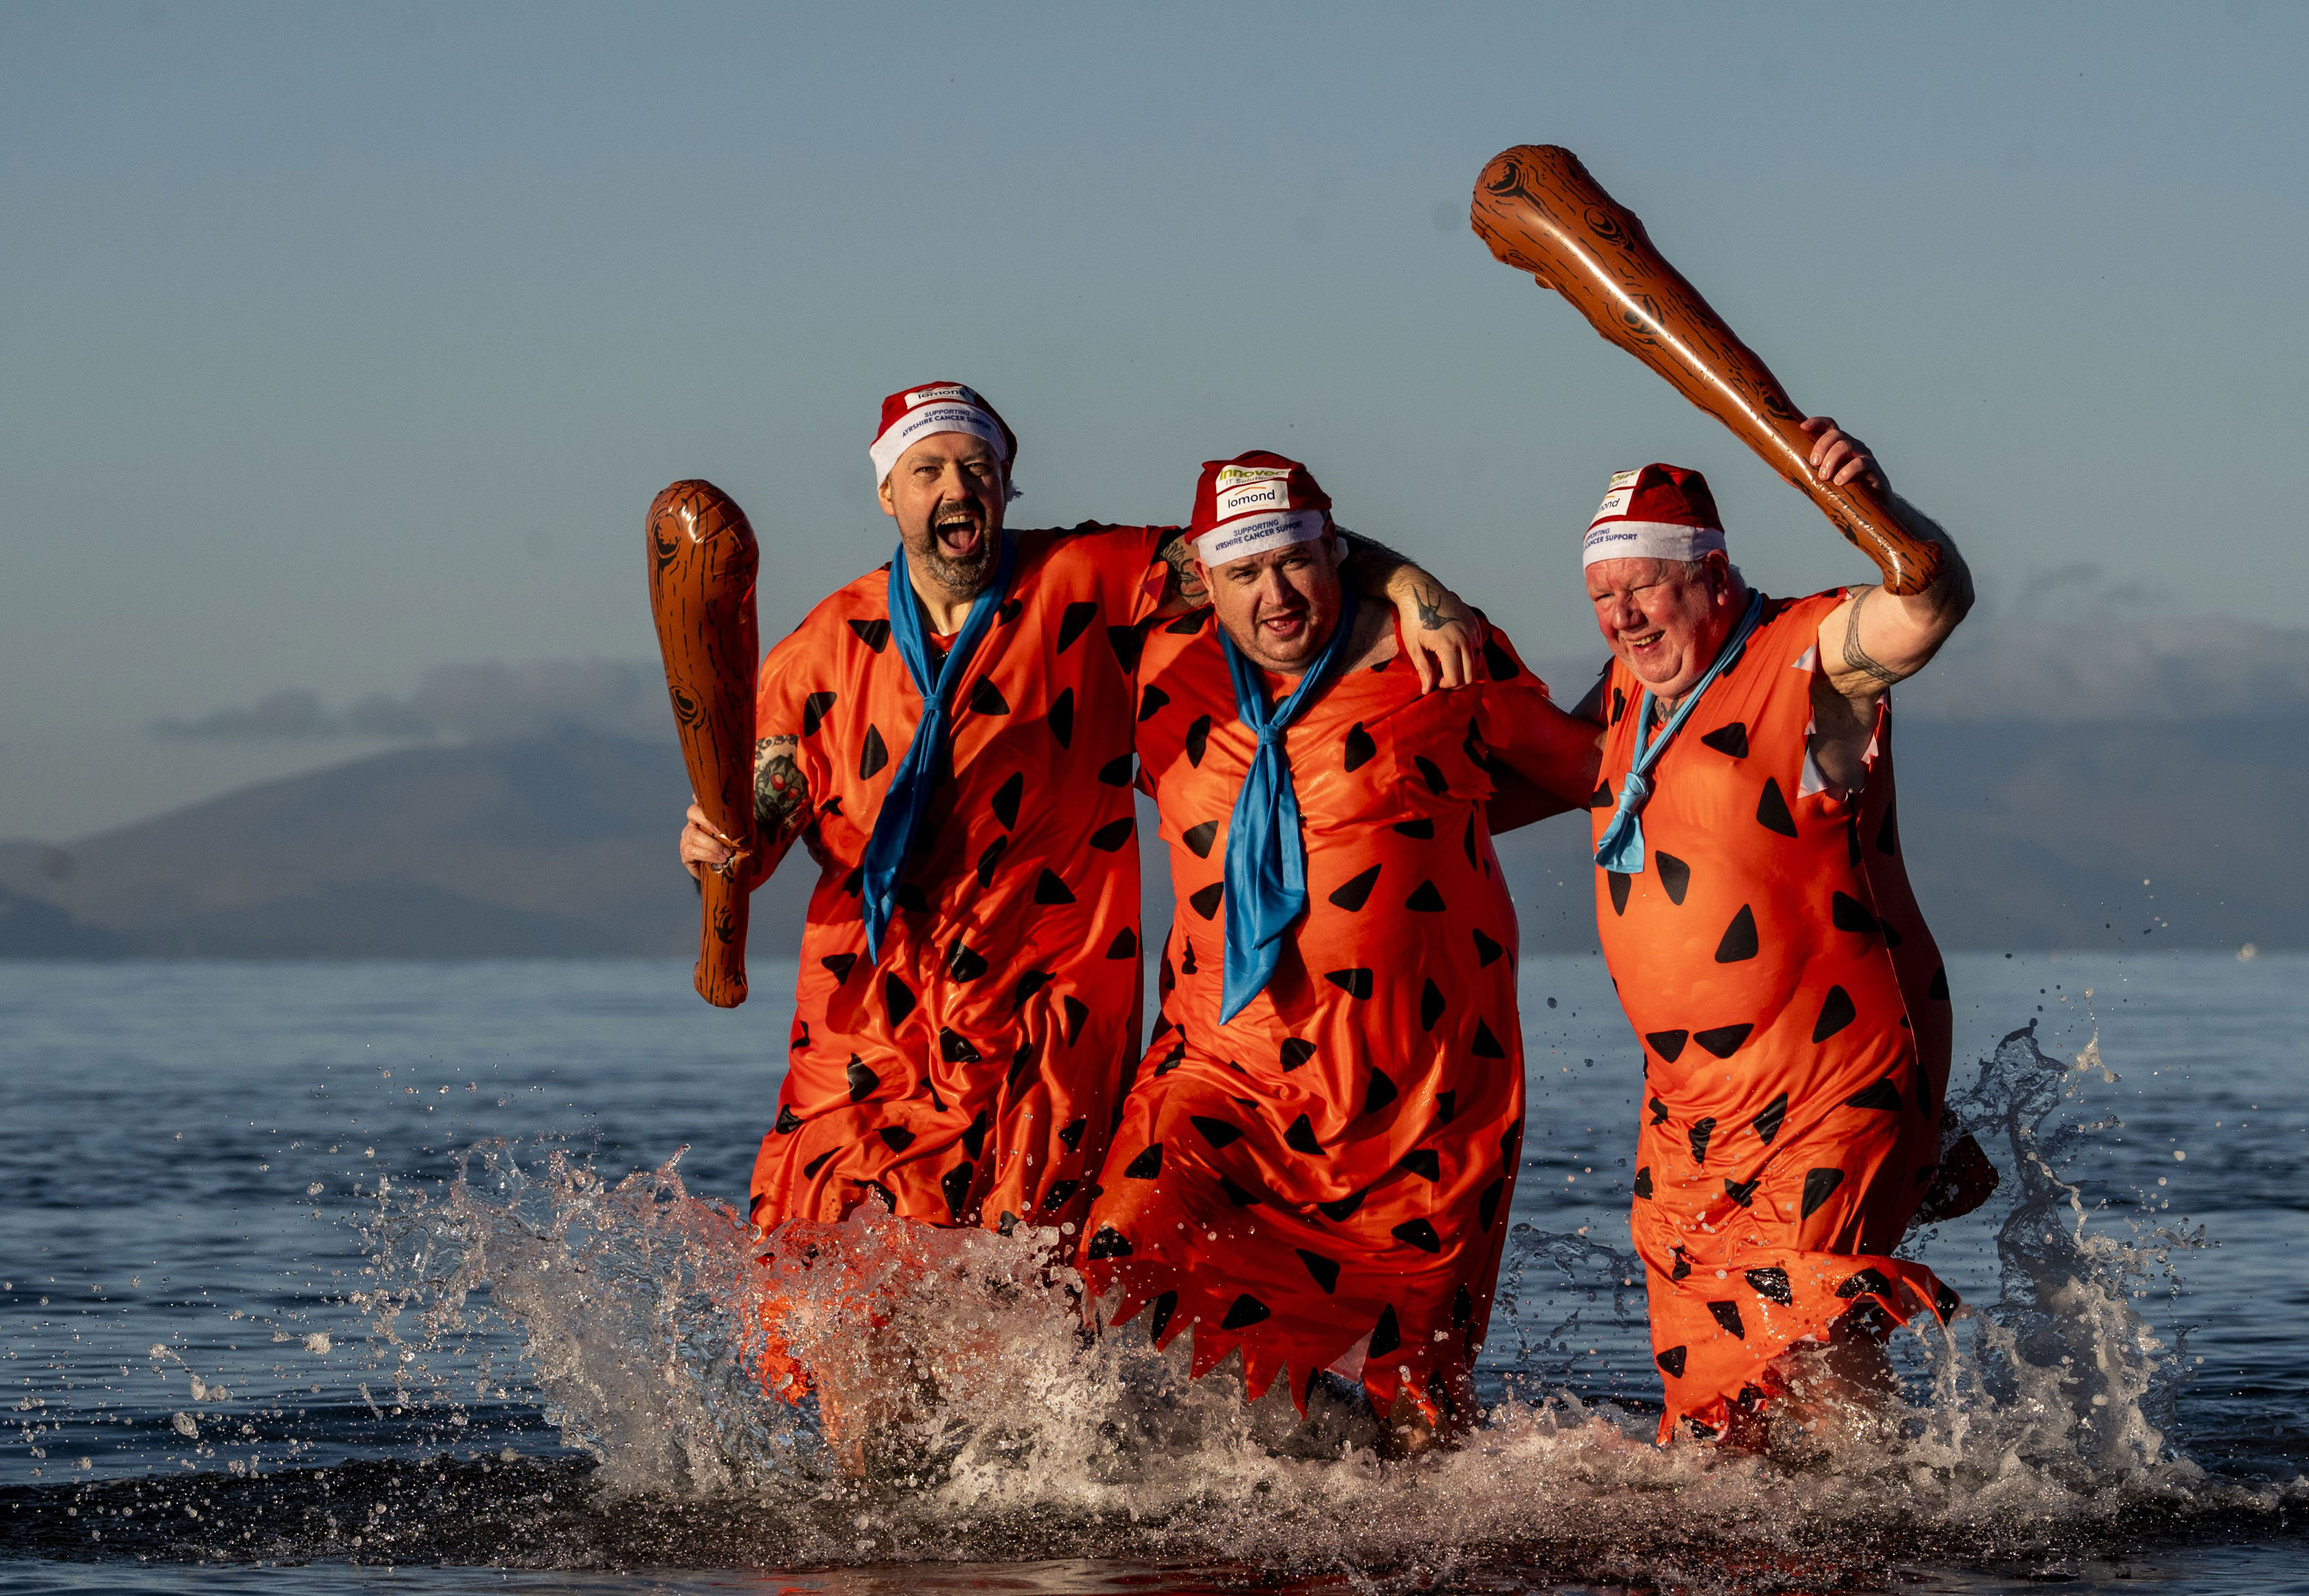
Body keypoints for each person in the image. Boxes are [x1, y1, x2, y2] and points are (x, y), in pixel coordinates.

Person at [677, 384, 1483, 1241]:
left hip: (1049, 1013)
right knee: (825, 1275)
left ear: (1005, 482)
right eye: (928, 471)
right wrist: (720, 846)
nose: (956, 486)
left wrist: (1410, 583)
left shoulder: (1092, 580)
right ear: (889, 494)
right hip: (873, 1010)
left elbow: (1271, 541)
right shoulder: (821, 650)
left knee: (1020, 1295)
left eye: (975, 467)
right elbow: (761, 837)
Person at [1081, 452, 1601, 1453]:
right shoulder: (1157, 673)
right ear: (1206, 576)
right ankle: (1201, 1525)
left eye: (1298, 563)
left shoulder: (1438, 655)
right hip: (1220, 1076)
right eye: (1245, 572)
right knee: (1118, 1266)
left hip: (1420, 1097)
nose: (1276, 594)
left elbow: (1589, 769)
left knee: (1422, 1424)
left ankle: (1350, 1507)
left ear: (1336, 553)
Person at [1577, 423, 1988, 1444]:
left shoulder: (1808, 657)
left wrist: (1881, 508)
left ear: (1713, 575)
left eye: (1646, 590)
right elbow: (1499, 778)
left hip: (1827, 1073)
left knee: (1808, 1317)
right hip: (1693, 1109)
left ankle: (1884, 1527)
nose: (1622, 618)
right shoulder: (1627, 688)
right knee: (1721, 1409)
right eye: (1603, 597)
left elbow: (1932, 601)